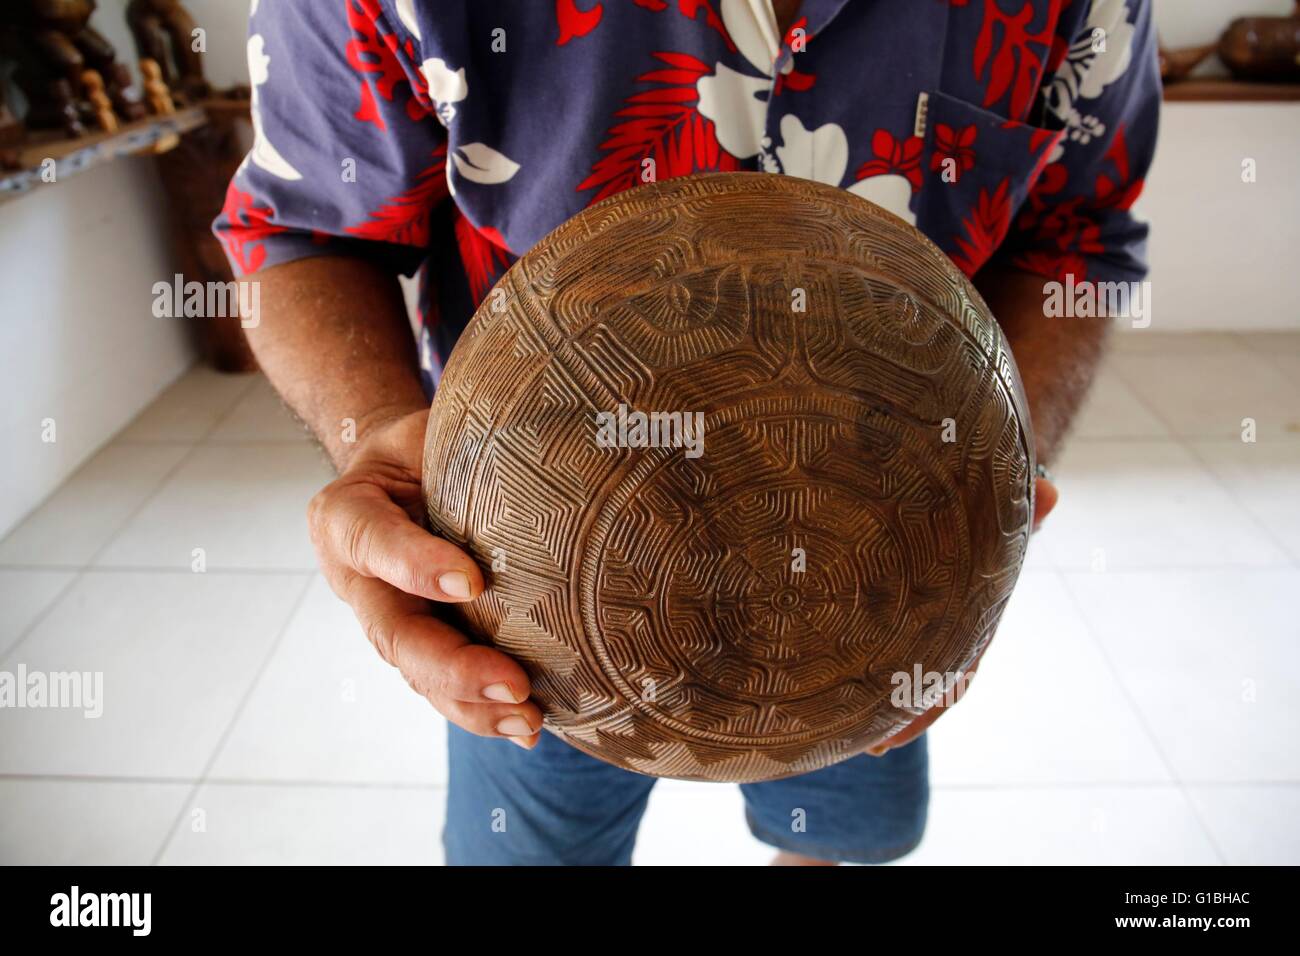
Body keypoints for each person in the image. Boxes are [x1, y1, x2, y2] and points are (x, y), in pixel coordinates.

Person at [214, 0, 1159, 865]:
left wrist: (997, 467)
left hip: (878, 569)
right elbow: (303, 230)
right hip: (530, 581)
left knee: (845, 833)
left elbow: (1076, 236)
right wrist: (378, 426)